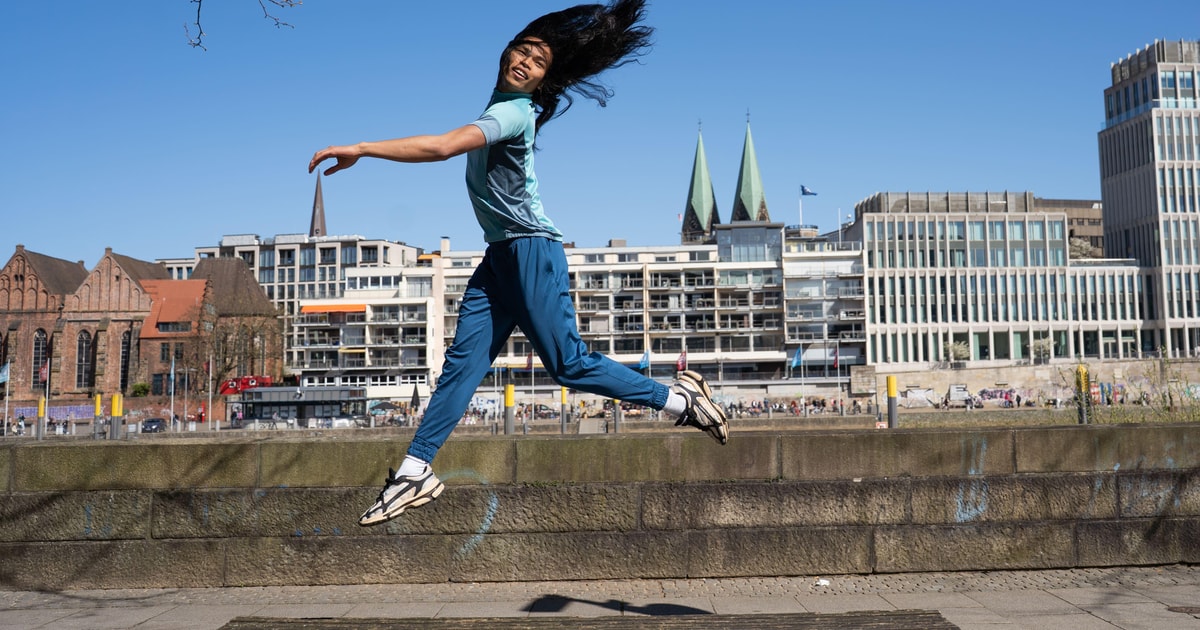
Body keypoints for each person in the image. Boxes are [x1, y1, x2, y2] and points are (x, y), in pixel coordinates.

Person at [309, 0, 729, 527]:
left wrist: (363, 148)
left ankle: (680, 401)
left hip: (531, 249)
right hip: (498, 258)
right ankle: (414, 471)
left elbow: (441, 147)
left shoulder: (510, 113)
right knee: (461, 367)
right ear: (506, 52)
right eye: (523, 51)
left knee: (568, 364)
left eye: (538, 61)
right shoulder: (499, 103)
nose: (526, 62)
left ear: (541, 82)